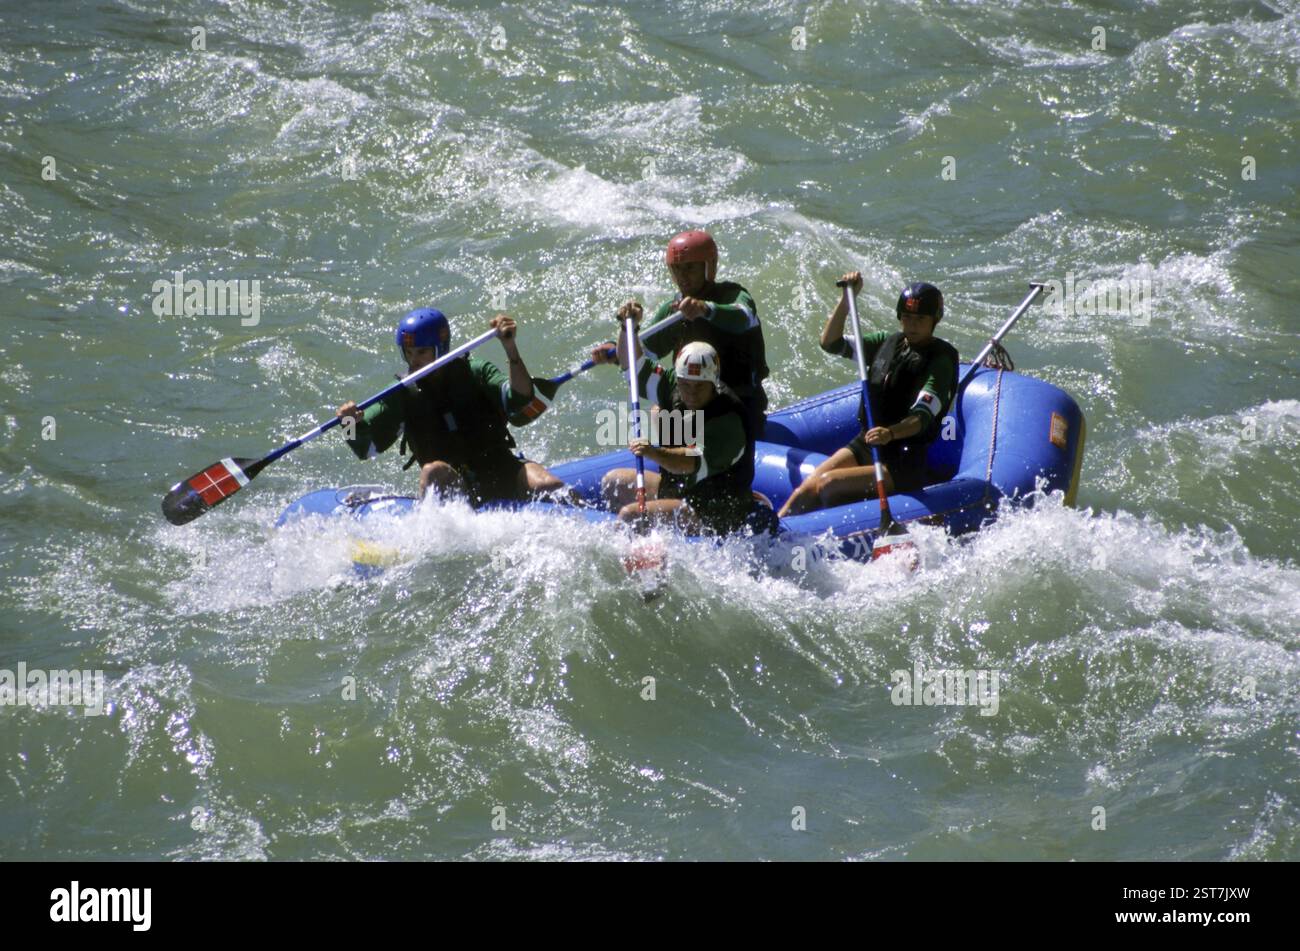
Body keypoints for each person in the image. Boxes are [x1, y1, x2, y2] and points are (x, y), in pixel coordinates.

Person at [336, 307, 569, 504]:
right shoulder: (401, 393)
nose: (414, 361)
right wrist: (348, 422)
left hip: (502, 469)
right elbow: (364, 448)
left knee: (551, 485)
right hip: (455, 492)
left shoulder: (475, 371)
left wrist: (510, 347)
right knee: (432, 471)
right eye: (409, 353)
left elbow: (519, 402)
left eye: (422, 352)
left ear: (441, 348)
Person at [777, 273, 959, 517]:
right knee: (807, 487)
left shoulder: (940, 361)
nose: (912, 325)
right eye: (906, 317)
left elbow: (921, 418)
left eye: (920, 319)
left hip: (901, 460)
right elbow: (830, 343)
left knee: (829, 485)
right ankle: (777, 531)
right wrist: (846, 300)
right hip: (868, 442)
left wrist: (891, 433)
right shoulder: (887, 342)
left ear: (934, 320)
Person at [594, 230, 769, 438]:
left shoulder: (732, 295)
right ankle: (677, 461)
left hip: (739, 403)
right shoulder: (674, 309)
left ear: (709, 267)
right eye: (676, 269)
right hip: (694, 398)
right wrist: (621, 341)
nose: (682, 277)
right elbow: (644, 351)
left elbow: (744, 317)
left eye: (690, 268)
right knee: (659, 412)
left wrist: (705, 309)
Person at [601, 336, 774, 536]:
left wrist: (653, 452)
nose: (691, 393)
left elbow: (689, 463)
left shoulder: (727, 421)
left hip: (713, 511)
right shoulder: (674, 385)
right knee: (611, 482)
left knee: (630, 516)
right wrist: (626, 327)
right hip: (683, 491)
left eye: (699, 386)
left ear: (713, 382)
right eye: (685, 384)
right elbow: (634, 368)